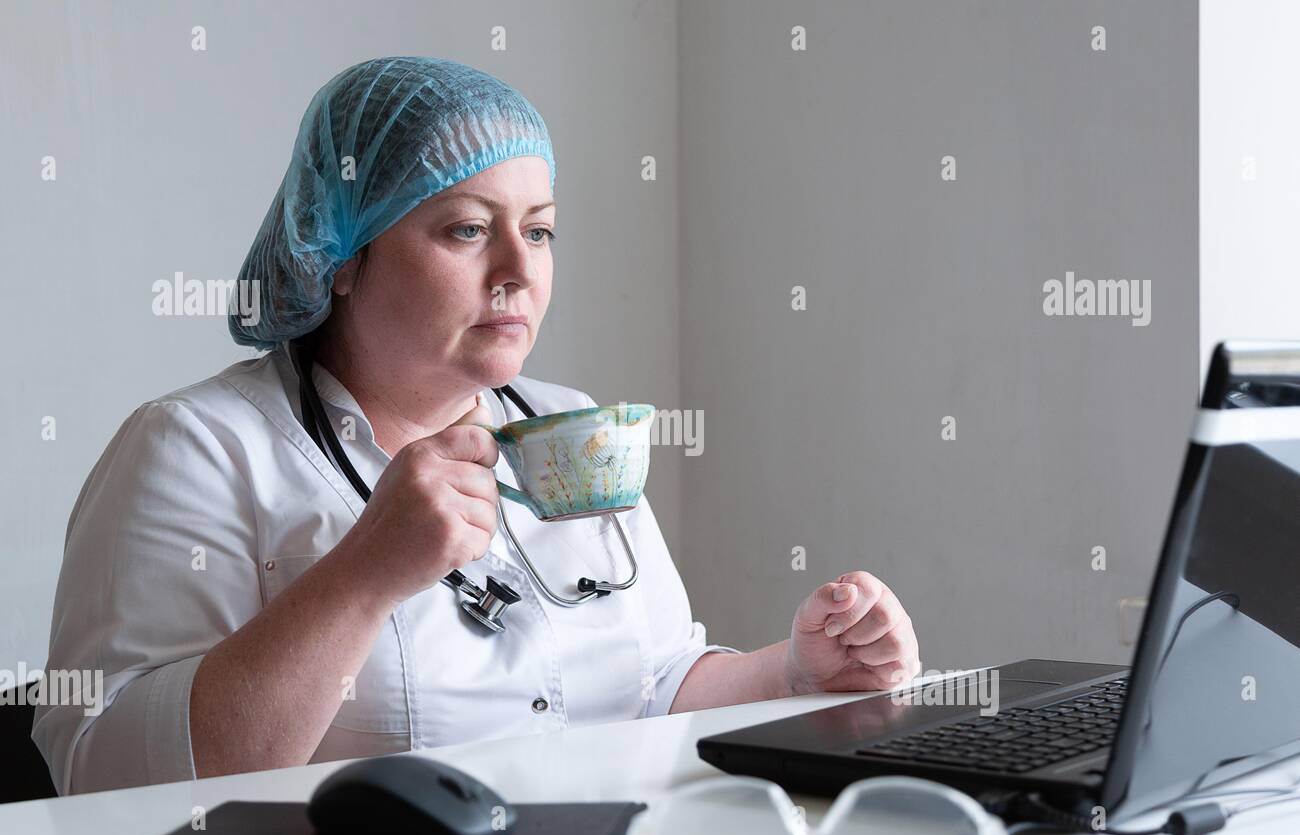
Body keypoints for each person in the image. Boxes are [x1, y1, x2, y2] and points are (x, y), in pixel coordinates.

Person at [33, 56, 920, 796]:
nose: (517, 273)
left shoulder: (568, 427)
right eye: (465, 229)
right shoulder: (195, 448)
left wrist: (797, 678)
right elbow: (107, 781)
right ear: (339, 256)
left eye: (538, 233)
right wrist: (363, 575)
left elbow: (650, 688)